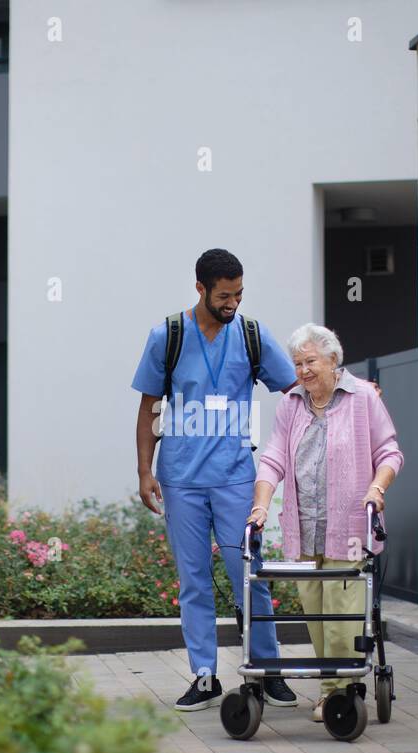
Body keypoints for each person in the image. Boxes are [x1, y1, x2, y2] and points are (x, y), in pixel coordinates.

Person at [131, 249, 300, 711]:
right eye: (224, 295)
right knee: (193, 581)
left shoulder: (250, 335)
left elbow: (295, 388)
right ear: (201, 289)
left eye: (239, 294)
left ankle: (268, 671)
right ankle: (204, 676)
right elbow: (149, 408)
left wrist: (351, 389)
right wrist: (145, 471)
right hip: (181, 478)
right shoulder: (166, 336)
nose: (233, 303)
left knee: (249, 574)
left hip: (235, 479)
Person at [249, 323, 403, 722]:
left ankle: (338, 692)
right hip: (304, 529)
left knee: (342, 613)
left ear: (334, 360)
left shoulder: (363, 398)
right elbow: (273, 459)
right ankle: (334, 687)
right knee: (316, 613)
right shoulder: (291, 405)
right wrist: (261, 507)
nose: (302, 370)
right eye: (297, 363)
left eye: (310, 361)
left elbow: (389, 452)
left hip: (350, 529)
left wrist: (377, 488)